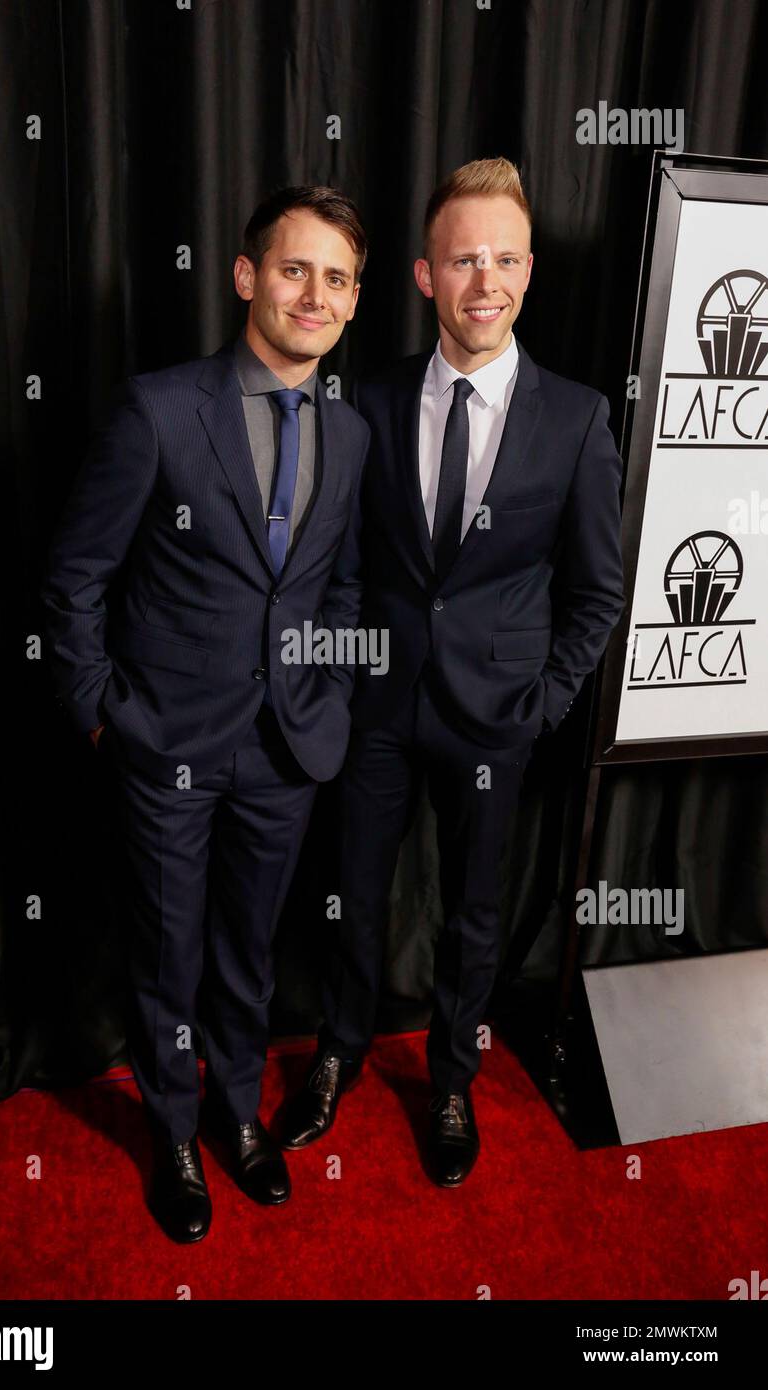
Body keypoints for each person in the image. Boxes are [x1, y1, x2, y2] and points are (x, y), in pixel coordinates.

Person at [282, 158, 625, 1186]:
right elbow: (333, 561)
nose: (487, 281)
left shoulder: (575, 419)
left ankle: (448, 1080)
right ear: (426, 274)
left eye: (506, 258)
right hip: (377, 707)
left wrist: (541, 704)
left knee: (475, 911)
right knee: (352, 891)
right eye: (464, 258)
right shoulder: (368, 395)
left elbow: (596, 589)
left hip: (494, 718)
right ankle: (338, 1051)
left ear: (527, 270)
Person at [40, 186, 370, 1241]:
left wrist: (329, 688)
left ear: (356, 300)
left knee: (248, 948)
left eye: (335, 278)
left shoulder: (353, 436)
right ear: (244, 275)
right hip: (164, 746)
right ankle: (174, 1130)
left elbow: (345, 587)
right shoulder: (158, 410)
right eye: (292, 269)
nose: (311, 294)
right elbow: (74, 576)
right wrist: (99, 711)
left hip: (287, 747)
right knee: (168, 948)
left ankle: (237, 1114)